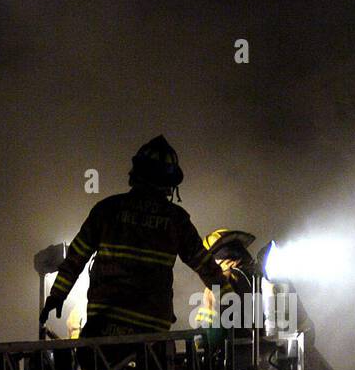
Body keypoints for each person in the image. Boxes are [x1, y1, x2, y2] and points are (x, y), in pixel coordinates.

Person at [39, 135, 224, 339]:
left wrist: (57, 295)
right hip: (152, 326)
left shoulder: (106, 210)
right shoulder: (176, 220)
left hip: (105, 320)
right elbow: (203, 263)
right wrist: (231, 294)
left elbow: (75, 258)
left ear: (135, 174)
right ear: (169, 184)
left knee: (92, 364)